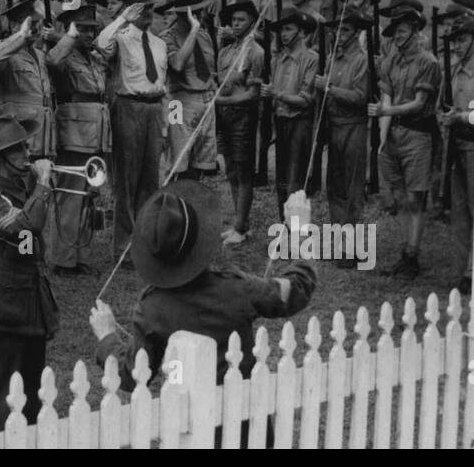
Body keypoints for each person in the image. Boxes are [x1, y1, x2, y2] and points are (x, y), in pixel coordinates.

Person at [88, 188, 316, 447]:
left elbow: (131, 373)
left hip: (191, 431)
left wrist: (107, 335)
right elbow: (298, 286)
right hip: (245, 433)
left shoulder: (152, 308)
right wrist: (298, 229)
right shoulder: (236, 288)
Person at [0, 114, 59, 430]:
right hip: (1, 312)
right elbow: (27, 226)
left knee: (33, 400)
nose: (27, 154)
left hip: (30, 308)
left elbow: (27, 243)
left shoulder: (21, 193)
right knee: (0, 402)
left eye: (25, 146)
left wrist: (41, 189)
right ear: (0, 159)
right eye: (18, 149)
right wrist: (43, 184)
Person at [96, 0, 167, 264]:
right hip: (128, 107)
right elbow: (101, 44)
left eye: (150, 8)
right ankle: (124, 245)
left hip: (154, 109)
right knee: (127, 177)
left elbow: (163, 82)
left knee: (150, 178)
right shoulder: (122, 38)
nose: (147, 13)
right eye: (142, 9)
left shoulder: (158, 43)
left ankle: (145, 240)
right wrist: (122, 18)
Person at [372, 2, 440, 280]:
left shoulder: (428, 62)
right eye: (395, 32)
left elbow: (419, 103)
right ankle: (406, 251)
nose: (397, 36)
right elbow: (386, 97)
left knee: (415, 197)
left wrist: (387, 112)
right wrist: (382, 137)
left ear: (414, 31)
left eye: (401, 31)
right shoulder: (391, 61)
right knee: (400, 196)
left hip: (418, 133)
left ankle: (413, 253)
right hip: (395, 134)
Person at [44, 4, 113, 274]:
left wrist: (94, 45)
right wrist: (66, 37)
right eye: (82, 29)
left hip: (97, 134)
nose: (87, 34)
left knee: (89, 196)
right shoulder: (64, 55)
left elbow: (108, 60)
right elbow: (52, 61)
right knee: (70, 196)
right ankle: (63, 258)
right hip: (73, 134)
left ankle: (80, 255)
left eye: (91, 29)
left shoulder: (93, 58)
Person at [315, 11, 370, 268]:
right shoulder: (332, 58)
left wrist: (329, 89)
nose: (339, 35)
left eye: (345, 31)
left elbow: (360, 97)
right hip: (334, 125)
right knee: (334, 187)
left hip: (354, 126)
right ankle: (340, 244)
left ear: (356, 33)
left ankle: (352, 247)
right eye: (337, 30)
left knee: (352, 188)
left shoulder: (361, 60)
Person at [261, 7, 318, 215]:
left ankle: (295, 230)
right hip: (281, 121)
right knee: (281, 178)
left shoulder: (311, 59)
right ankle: (283, 225)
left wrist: (276, 94)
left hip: (299, 122)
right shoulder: (278, 59)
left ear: (302, 32)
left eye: (288, 29)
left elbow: (305, 100)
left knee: (296, 178)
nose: (283, 34)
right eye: (281, 30)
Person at [216, 0, 264, 245]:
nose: (236, 24)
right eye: (233, 20)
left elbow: (253, 94)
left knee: (244, 172)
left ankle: (240, 225)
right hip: (223, 118)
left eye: (241, 20)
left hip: (243, 118)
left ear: (252, 23)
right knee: (231, 170)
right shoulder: (226, 50)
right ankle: (240, 224)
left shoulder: (256, 52)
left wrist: (226, 102)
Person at [439, 12, 474, 293]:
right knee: (460, 211)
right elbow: (442, 103)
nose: (456, 46)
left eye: (462, 39)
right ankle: (461, 268)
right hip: (456, 145)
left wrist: (461, 117)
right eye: (453, 41)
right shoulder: (453, 69)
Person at [159, 0, 218, 180]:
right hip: (179, 103)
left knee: (201, 163)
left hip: (206, 102)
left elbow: (209, 70)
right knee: (177, 162)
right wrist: (193, 30)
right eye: (196, 12)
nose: (201, 15)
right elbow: (177, 64)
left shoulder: (205, 36)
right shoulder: (167, 37)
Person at [0, 0, 56, 161]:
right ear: (14, 26)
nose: (36, 28)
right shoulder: (5, 49)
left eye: (38, 22)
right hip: (17, 136)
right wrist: (21, 36)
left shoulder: (39, 54)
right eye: (31, 23)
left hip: (42, 137)